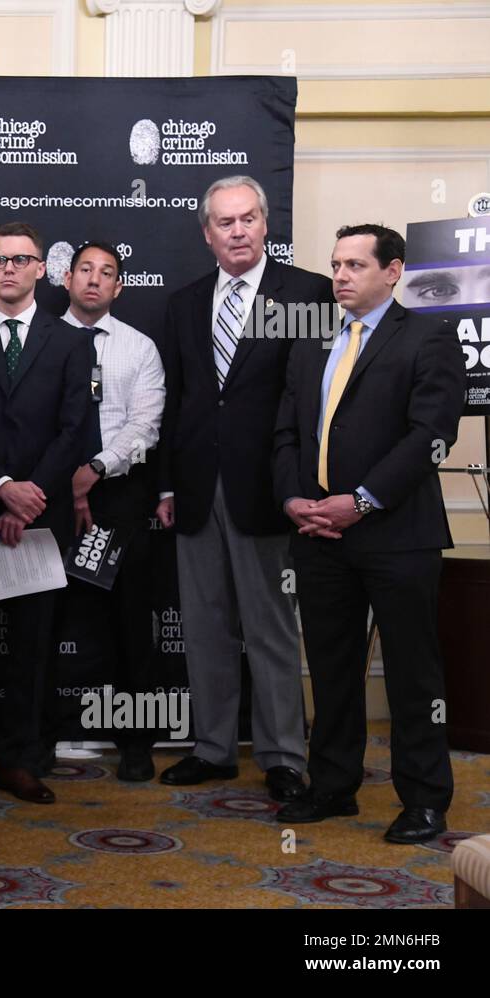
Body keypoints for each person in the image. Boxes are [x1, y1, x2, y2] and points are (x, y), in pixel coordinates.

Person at [273, 224, 465, 843]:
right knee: (331, 667)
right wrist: (293, 499)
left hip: (397, 535)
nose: (340, 275)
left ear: (393, 271)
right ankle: (332, 786)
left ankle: (425, 800)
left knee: (413, 673)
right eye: (335, 264)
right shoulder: (310, 344)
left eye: (355, 264)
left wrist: (360, 501)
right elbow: (286, 435)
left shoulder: (429, 339)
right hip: (318, 535)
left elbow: (430, 436)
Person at [155, 175, 333, 803]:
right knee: (204, 625)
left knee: (271, 626)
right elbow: (177, 402)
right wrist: (169, 485)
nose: (238, 231)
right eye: (225, 223)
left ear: (265, 225)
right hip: (199, 487)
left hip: (271, 490)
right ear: (208, 234)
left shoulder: (308, 292)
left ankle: (284, 754)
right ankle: (213, 748)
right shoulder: (183, 304)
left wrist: (302, 486)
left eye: (248, 219)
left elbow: (313, 400)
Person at [0, 221, 88, 804]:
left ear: (42, 268)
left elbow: (75, 430)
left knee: (32, 648)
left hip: (42, 515)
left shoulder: (69, 342)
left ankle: (20, 760)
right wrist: (1, 486)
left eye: (21, 259)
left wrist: (30, 492)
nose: (9, 268)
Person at [59, 241, 165, 781]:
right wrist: (65, 481)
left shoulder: (139, 348)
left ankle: (137, 743)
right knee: (41, 622)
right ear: (66, 278)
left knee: (130, 626)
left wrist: (94, 470)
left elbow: (145, 425)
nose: (95, 280)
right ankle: (35, 740)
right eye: (85, 270)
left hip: (118, 498)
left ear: (119, 287)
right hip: (48, 498)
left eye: (107, 273)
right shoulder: (42, 340)